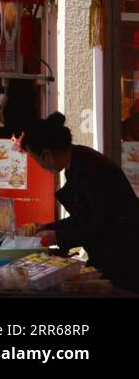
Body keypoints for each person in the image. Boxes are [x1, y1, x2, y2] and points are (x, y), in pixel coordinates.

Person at [23, 112, 139, 293]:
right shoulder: (77, 163)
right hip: (112, 257)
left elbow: (103, 224)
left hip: (125, 260)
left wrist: (58, 236)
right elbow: (84, 218)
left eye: (34, 158)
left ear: (46, 154)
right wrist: (49, 228)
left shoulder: (92, 169)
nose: (38, 164)